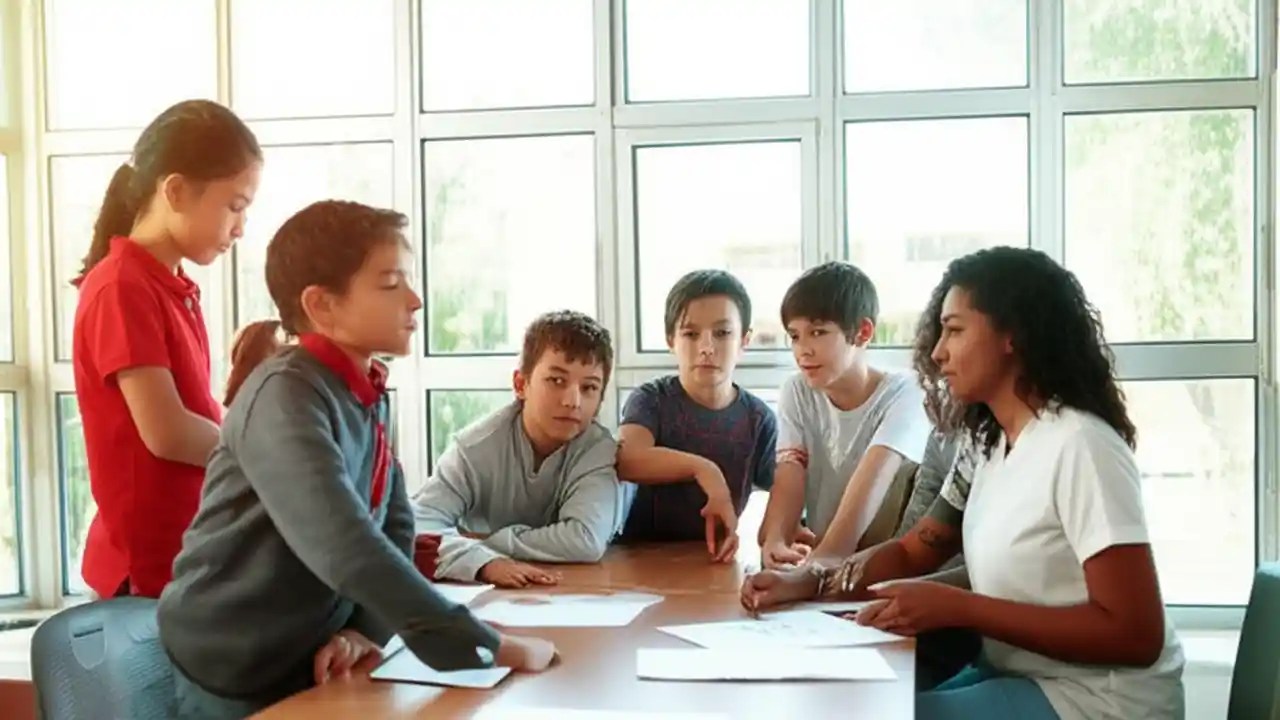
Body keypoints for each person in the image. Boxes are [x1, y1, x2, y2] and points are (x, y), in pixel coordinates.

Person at [742, 247, 1185, 720]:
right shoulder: (986, 443)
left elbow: (1136, 636)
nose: (937, 352)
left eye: (954, 330)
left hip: (1098, 700)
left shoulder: (1081, 446)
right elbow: (914, 552)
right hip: (1022, 674)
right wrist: (809, 581)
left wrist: (960, 607)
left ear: (1012, 334)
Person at [157, 201, 555, 719]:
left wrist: (363, 629)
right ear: (322, 305)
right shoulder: (284, 396)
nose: (415, 300)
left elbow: (394, 524)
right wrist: (483, 645)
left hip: (308, 655)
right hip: (236, 666)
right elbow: (344, 543)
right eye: (390, 283)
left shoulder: (360, 391)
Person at [71, 99, 261, 599]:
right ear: (175, 190)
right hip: (148, 570)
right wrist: (266, 455)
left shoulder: (172, 286)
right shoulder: (121, 285)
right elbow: (168, 432)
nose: (240, 229)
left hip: (187, 553)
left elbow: (200, 412)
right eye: (234, 206)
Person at [412, 310, 626, 588]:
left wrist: (490, 543)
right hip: (481, 593)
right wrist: (483, 562)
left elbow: (585, 540)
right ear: (520, 384)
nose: (573, 401)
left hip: (570, 589)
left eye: (589, 388)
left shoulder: (597, 448)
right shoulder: (474, 447)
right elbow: (418, 527)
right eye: (557, 381)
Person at [756, 261, 932, 568]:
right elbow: (789, 472)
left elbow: (875, 474)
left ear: (863, 332)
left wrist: (822, 564)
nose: (803, 350)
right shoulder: (797, 391)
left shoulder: (905, 391)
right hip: (824, 560)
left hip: (888, 565)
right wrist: (776, 541)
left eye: (818, 332)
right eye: (795, 336)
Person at [615, 269, 776, 562]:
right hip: (639, 561)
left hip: (713, 562)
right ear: (670, 340)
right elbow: (626, 461)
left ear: (744, 341)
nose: (706, 348)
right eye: (690, 334)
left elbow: (785, 486)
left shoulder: (758, 419)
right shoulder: (651, 399)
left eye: (723, 333)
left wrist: (781, 533)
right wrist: (705, 470)